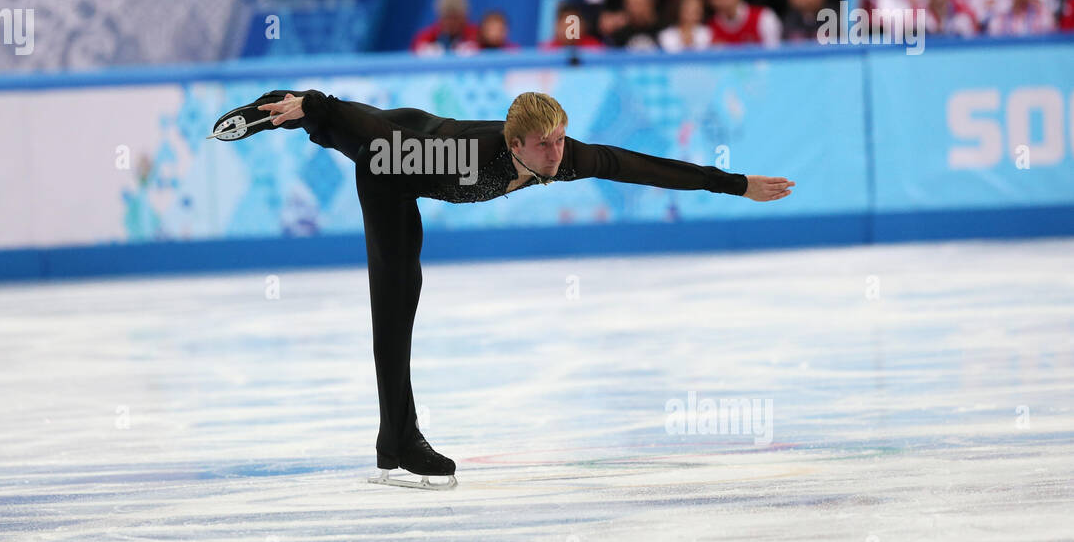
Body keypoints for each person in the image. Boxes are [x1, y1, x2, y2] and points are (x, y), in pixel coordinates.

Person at [209, 88, 794, 485]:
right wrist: (316, 106)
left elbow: (632, 164)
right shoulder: (462, 157)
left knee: (398, 272)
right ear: (513, 146)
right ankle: (400, 437)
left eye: (561, 140)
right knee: (397, 295)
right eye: (546, 145)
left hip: (409, 135)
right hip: (394, 164)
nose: (558, 153)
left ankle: (393, 440)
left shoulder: (560, 159)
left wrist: (735, 184)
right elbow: (373, 133)